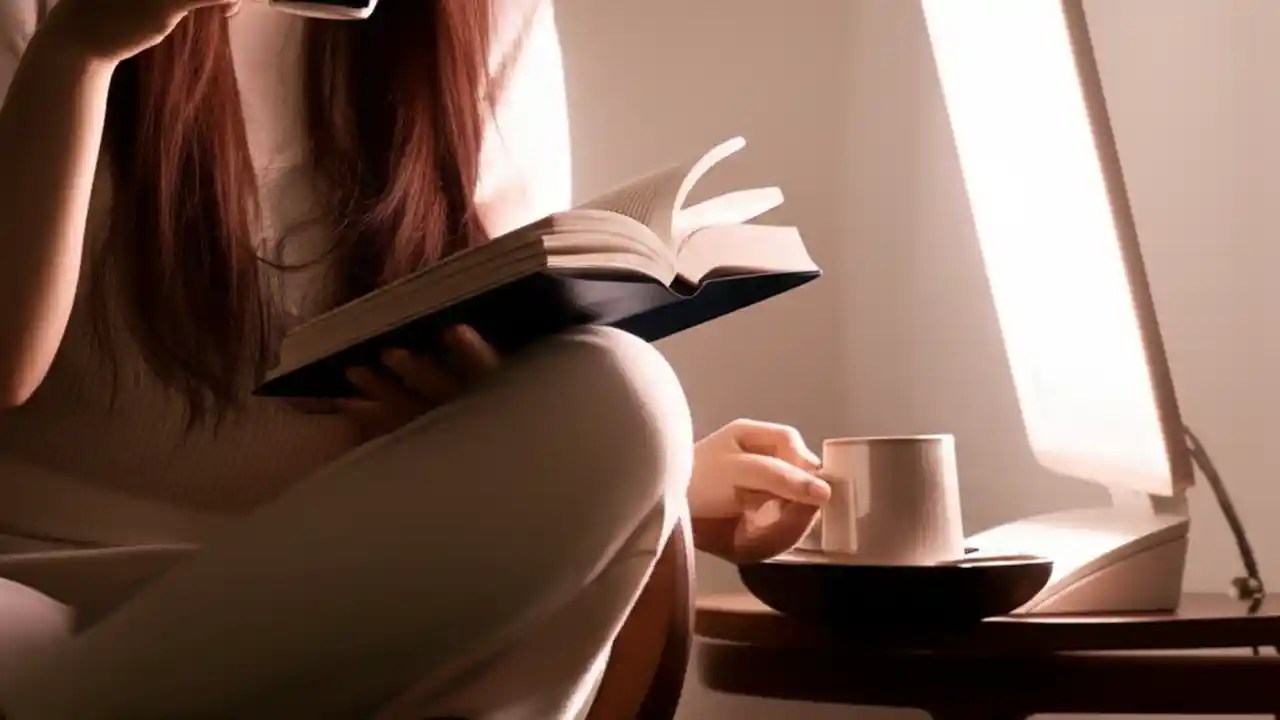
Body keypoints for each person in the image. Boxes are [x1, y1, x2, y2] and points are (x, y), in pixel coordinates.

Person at [0, 0, 831, 717]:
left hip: (361, 584)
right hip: (39, 583)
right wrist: (81, 50)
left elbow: (523, 343)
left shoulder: (477, 18)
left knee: (622, 390)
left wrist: (633, 464)